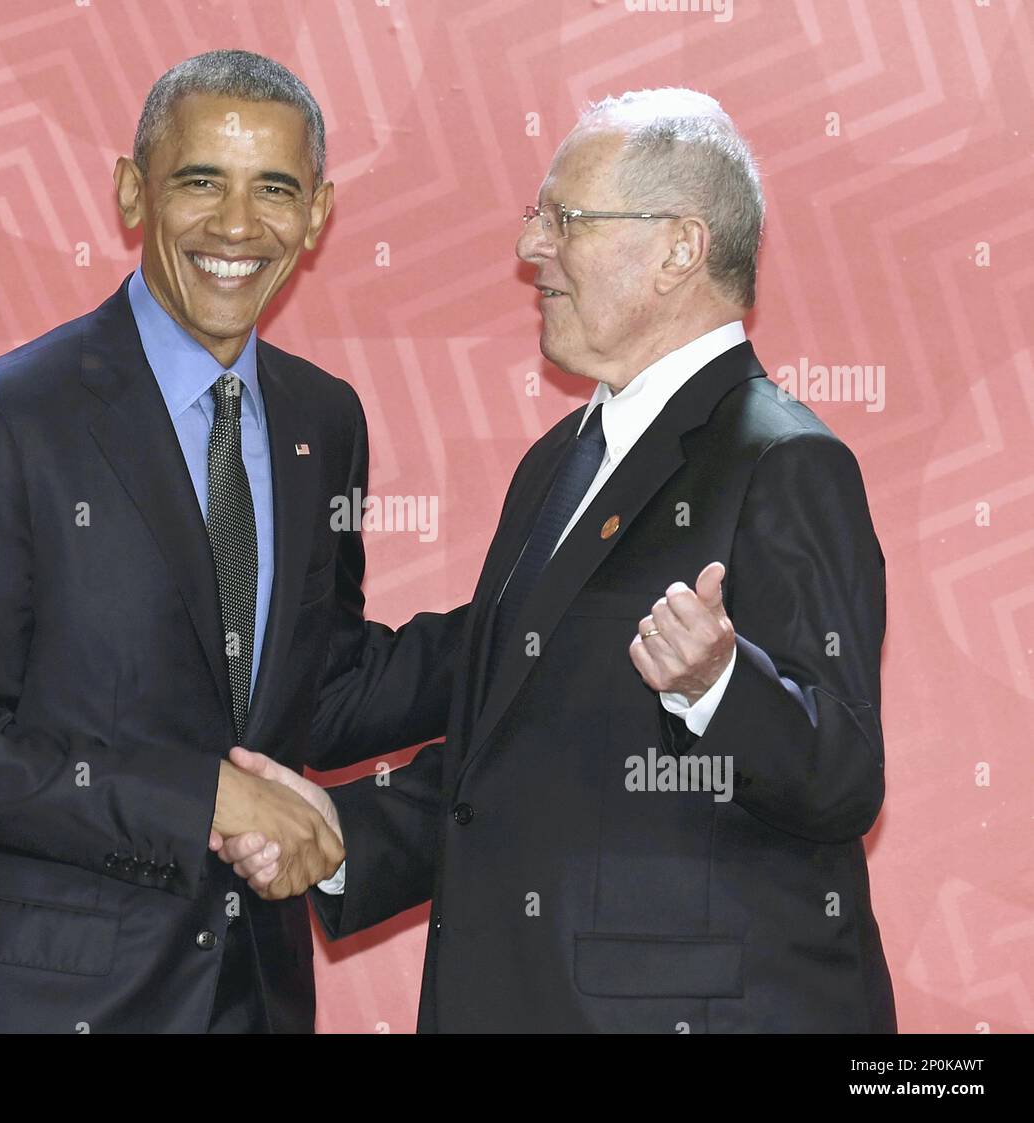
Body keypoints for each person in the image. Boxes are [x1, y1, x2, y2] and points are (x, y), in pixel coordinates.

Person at [216, 88, 897, 1033]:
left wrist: (719, 683)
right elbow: (513, 757)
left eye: (563, 218)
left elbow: (842, 774)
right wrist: (341, 838)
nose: (530, 247)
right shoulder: (562, 459)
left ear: (679, 249)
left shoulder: (784, 459)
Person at [0, 49, 465, 1034]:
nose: (236, 226)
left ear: (317, 215)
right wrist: (204, 802)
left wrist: (537, 623)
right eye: (200, 182)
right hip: (37, 1003)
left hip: (254, 999)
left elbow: (321, 688)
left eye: (274, 189)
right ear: (131, 193)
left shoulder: (326, 419)